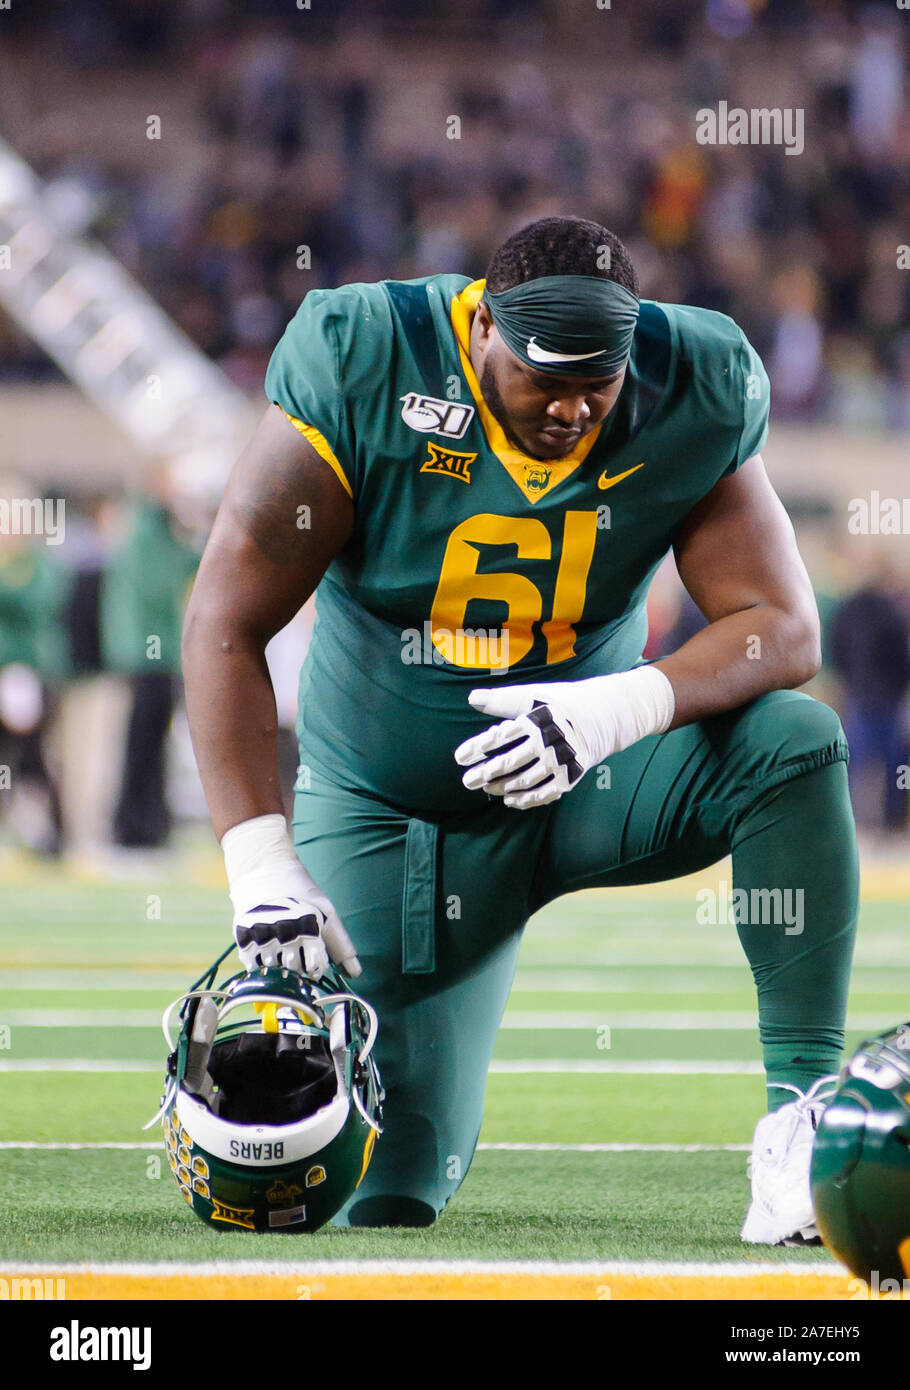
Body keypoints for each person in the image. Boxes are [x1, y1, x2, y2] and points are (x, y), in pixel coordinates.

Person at [182, 216, 858, 1242]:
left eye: (602, 382)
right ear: (483, 329)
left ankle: (802, 1126)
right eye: (548, 379)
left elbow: (783, 626)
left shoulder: (691, 379)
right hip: (388, 819)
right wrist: (259, 858)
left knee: (794, 743)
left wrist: (614, 705)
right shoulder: (368, 360)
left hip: (587, 782)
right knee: (384, 1192)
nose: (577, 408)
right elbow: (224, 620)